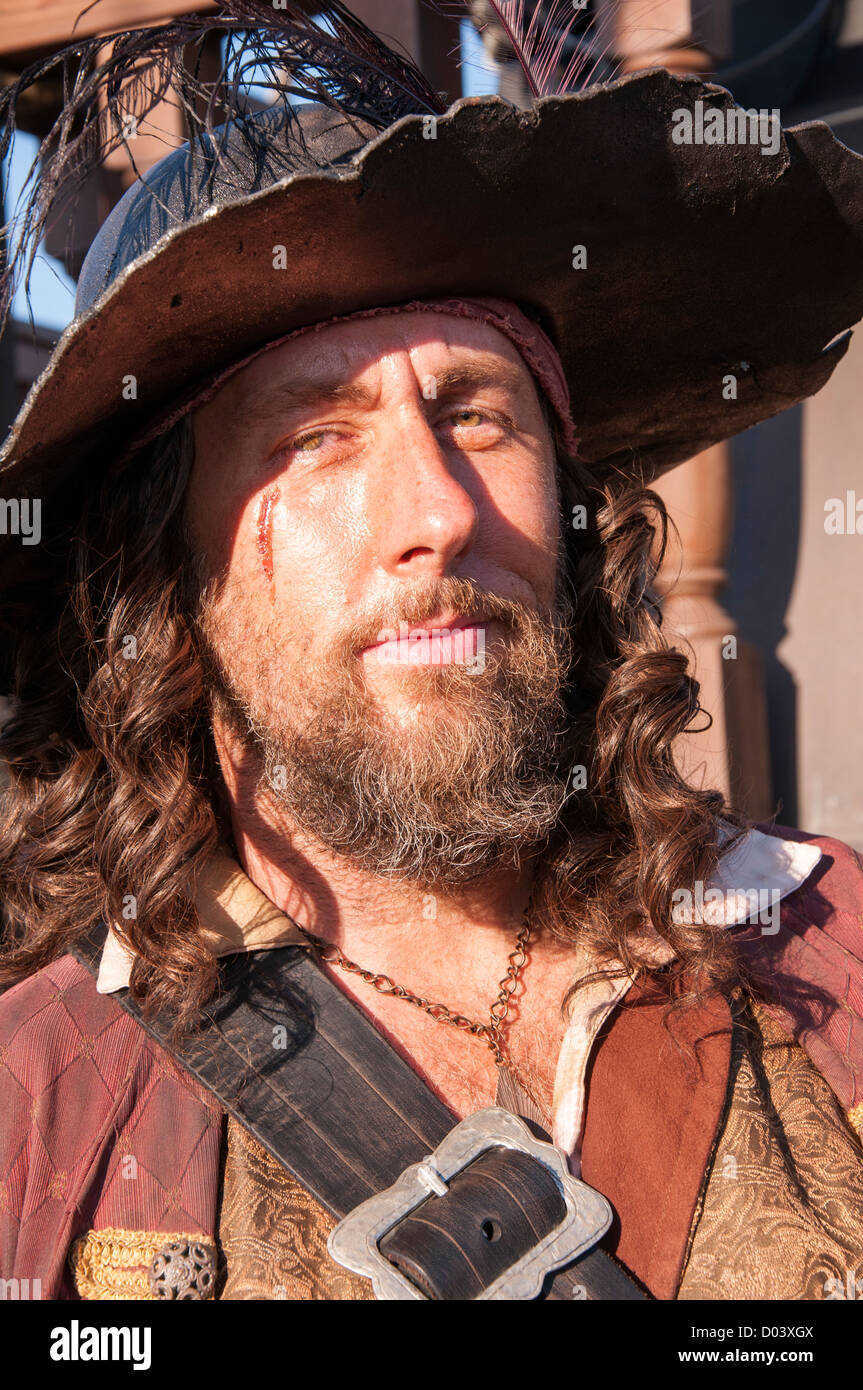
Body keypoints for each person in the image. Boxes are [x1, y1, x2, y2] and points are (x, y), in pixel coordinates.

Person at [2, 1, 863, 1302]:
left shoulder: (831, 949)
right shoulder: (39, 1117)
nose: (443, 512)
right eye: (315, 437)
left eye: (477, 412)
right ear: (167, 564)